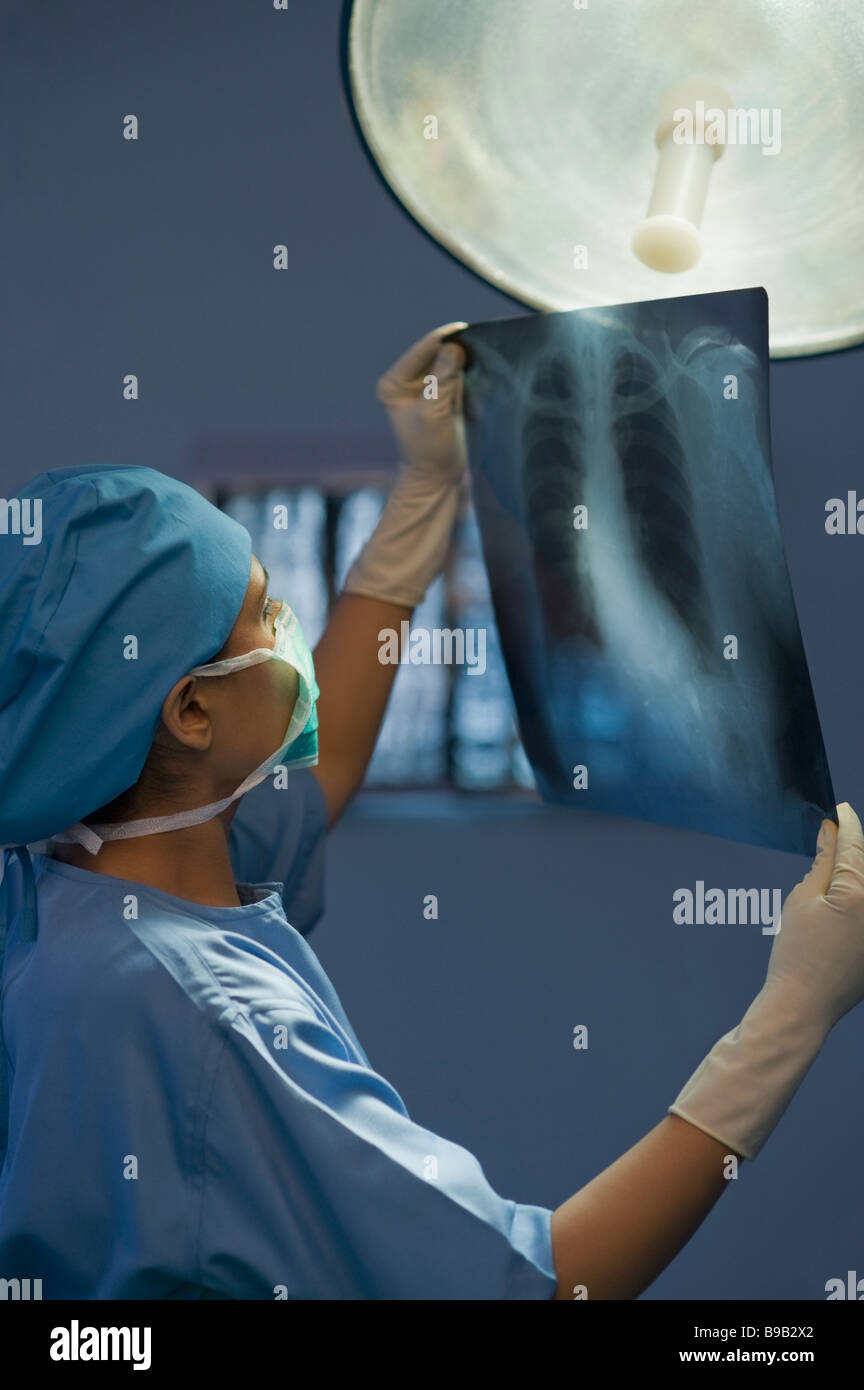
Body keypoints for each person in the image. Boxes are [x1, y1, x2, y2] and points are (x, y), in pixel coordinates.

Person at [1, 323, 863, 1300]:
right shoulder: (211, 1023)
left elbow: (317, 784)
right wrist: (793, 1013)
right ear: (192, 710)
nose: (292, 623)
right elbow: (544, 1287)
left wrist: (421, 494)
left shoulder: (65, 877)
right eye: (264, 609)